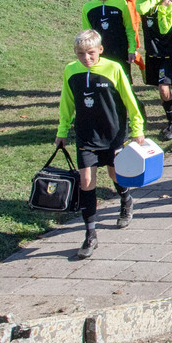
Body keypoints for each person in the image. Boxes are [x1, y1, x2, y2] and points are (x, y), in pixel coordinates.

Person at [55, 29, 146, 259]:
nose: (86, 58)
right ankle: (90, 234)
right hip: (86, 136)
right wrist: (62, 130)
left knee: (115, 175)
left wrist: (137, 128)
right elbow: (67, 102)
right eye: (81, 54)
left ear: (100, 50)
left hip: (112, 134)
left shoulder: (113, 69)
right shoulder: (70, 71)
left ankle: (126, 199)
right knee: (86, 182)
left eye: (91, 53)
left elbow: (129, 99)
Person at [137, 0, 172, 141]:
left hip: (166, 55)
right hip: (152, 54)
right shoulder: (144, 2)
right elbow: (141, 8)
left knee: (164, 89)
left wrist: (163, 7)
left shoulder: (170, 5)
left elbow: (165, 30)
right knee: (160, 90)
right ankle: (170, 117)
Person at [82, 0, 138, 81]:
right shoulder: (87, 7)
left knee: (124, 84)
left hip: (120, 51)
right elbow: (87, 34)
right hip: (100, 53)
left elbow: (130, 29)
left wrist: (132, 49)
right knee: (103, 84)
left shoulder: (121, 4)